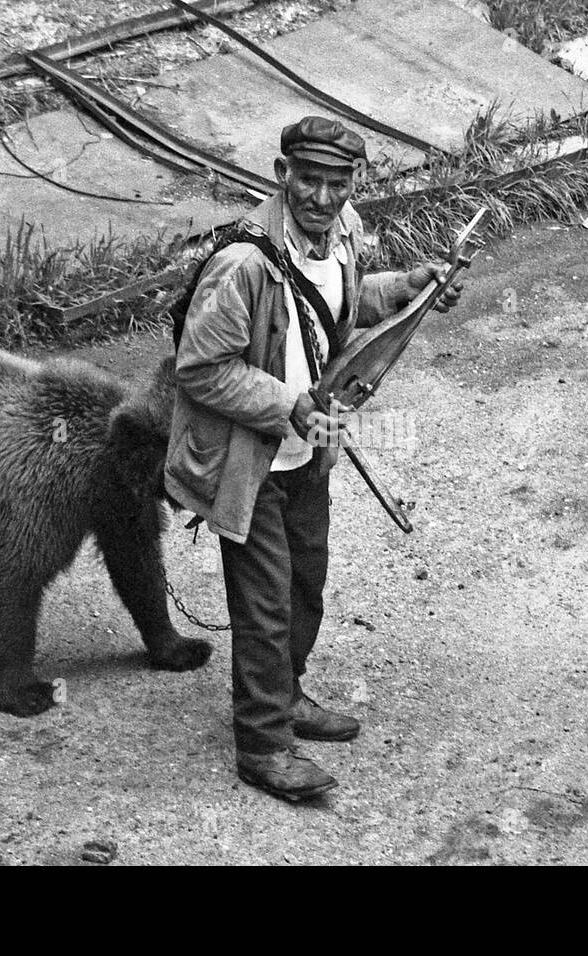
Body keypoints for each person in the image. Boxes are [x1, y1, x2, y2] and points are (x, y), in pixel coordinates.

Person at [165, 116, 463, 800]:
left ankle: (287, 693)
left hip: (310, 454)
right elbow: (201, 368)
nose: (324, 198)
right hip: (252, 460)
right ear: (281, 174)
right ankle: (263, 744)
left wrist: (408, 285)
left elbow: (340, 310)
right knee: (265, 602)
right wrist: (289, 405)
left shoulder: (343, 232)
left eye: (339, 183)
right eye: (310, 180)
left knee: (305, 584)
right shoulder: (244, 262)